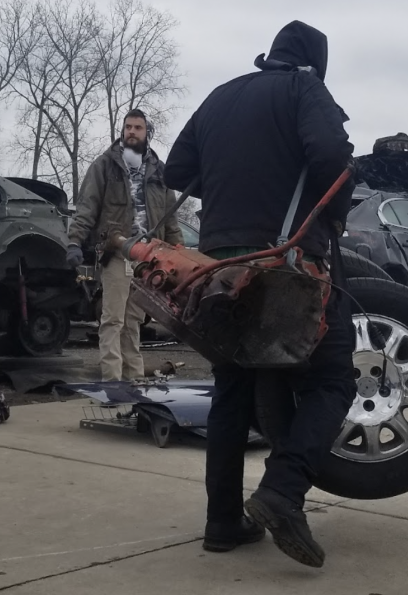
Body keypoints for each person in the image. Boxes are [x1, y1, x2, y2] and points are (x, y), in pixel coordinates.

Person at [164, 21, 357, 568]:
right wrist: (331, 217)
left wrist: (234, 184)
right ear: (315, 62)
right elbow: (332, 158)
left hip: (221, 268)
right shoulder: (303, 87)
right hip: (285, 262)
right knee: (332, 377)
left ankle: (222, 521)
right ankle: (282, 491)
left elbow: (178, 169)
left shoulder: (220, 94)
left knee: (231, 390)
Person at [66, 109, 184, 382]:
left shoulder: (160, 171)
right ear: (122, 130)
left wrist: (179, 258)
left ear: (147, 133)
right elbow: (87, 206)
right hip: (117, 253)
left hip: (149, 259)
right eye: (128, 127)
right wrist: (74, 241)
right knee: (112, 320)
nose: (131, 132)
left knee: (134, 322)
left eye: (138, 128)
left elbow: (172, 220)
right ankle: (112, 383)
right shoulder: (104, 165)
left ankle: (133, 382)